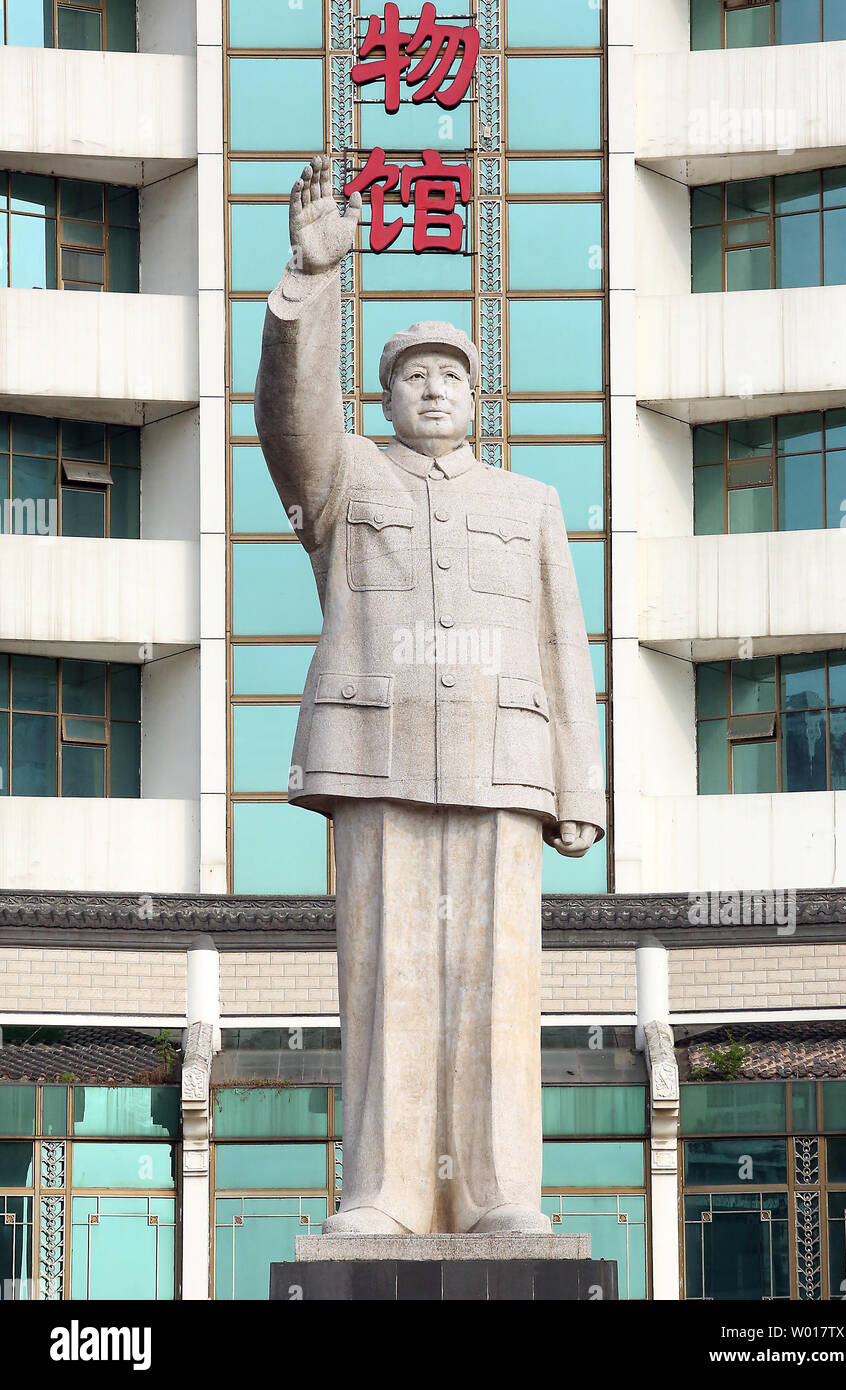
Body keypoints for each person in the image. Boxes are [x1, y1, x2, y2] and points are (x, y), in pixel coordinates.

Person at [255, 155, 605, 1235]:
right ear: (388, 395)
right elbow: (288, 418)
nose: (434, 389)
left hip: (504, 765)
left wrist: (580, 789)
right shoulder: (345, 476)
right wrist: (309, 286)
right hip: (380, 754)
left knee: (501, 995)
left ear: (474, 394)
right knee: (386, 985)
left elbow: (563, 646)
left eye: (450, 375)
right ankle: (385, 1192)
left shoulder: (530, 500)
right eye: (413, 376)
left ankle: (503, 1195)